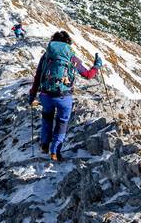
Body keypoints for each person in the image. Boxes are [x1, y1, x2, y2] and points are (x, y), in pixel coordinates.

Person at [28, 31, 102, 161]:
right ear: (68, 43)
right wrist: (97, 65)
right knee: (62, 122)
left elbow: (38, 76)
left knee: (47, 117)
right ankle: (55, 152)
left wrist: (32, 95)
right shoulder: (71, 57)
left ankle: (45, 144)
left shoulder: (46, 56)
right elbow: (88, 75)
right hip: (64, 97)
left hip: (45, 95)